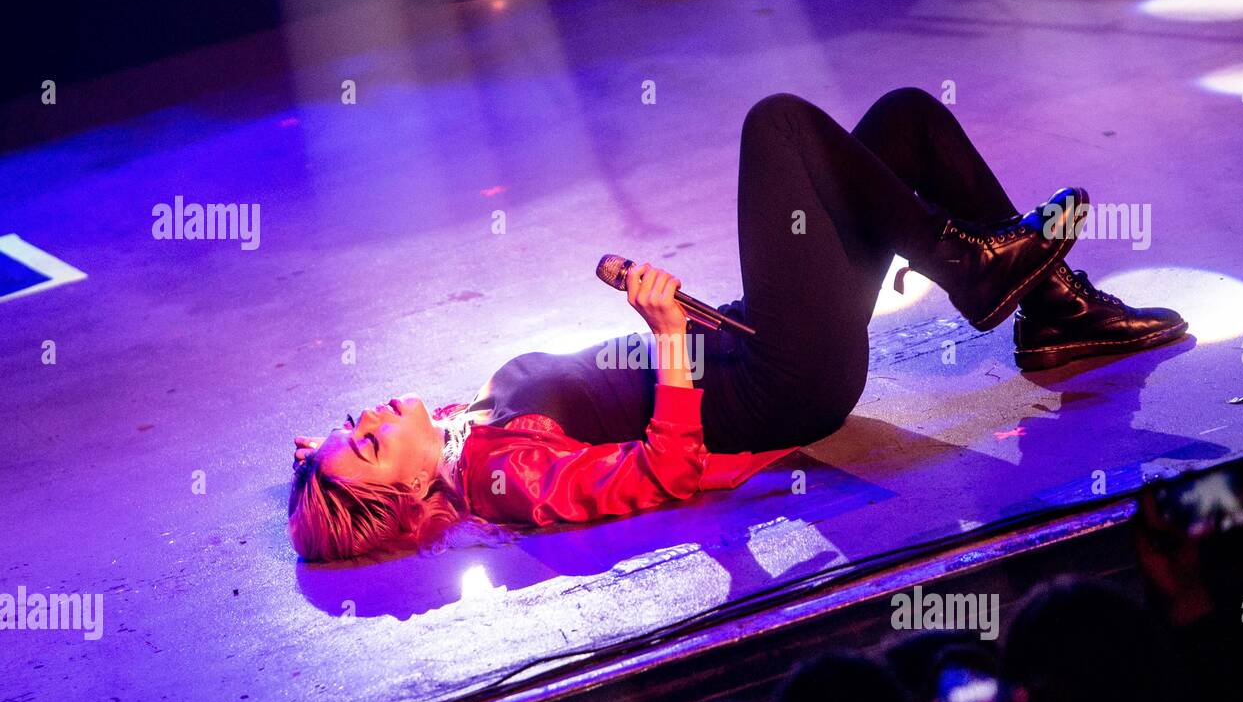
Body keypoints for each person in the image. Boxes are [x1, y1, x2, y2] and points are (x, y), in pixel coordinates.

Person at [289, 88, 1186, 561]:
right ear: (410, 501)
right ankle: (968, 267)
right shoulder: (503, 479)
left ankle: (1053, 313)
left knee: (902, 124)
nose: (363, 419)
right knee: (779, 125)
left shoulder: (458, 436)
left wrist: (314, 470)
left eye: (346, 425)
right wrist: (668, 334)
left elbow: (362, 470)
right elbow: (666, 470)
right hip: (784, 384)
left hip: (754, 342)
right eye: (367, 445)